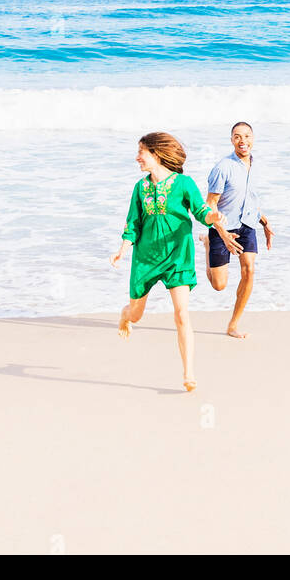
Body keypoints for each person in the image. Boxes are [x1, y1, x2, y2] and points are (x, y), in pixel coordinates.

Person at [109, 132, 241, 392]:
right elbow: (132, 223)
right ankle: (125, 314)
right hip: (146, 257)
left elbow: (201, 212)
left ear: (156, 154)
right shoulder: (140, 187)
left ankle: (188, 374)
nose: (137, 158)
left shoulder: (183, 183)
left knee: (182, 314)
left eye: (141, 153)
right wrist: (123, 249)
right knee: (136, 313)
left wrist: (213, 217)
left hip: (178, 255)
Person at [204, 121, 274, 339]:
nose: (242, 141)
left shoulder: (257, 165)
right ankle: (207, 245)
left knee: (249, 270)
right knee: (219, 285)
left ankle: (233, 325)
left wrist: (264, 221)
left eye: (246, 136)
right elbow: (210, 204)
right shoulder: (222, 167)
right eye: (237, 136)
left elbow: (249, 199)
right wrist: (222, 234)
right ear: (232, 140)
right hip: (223, 227)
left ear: (253, 138)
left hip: (248, 225)